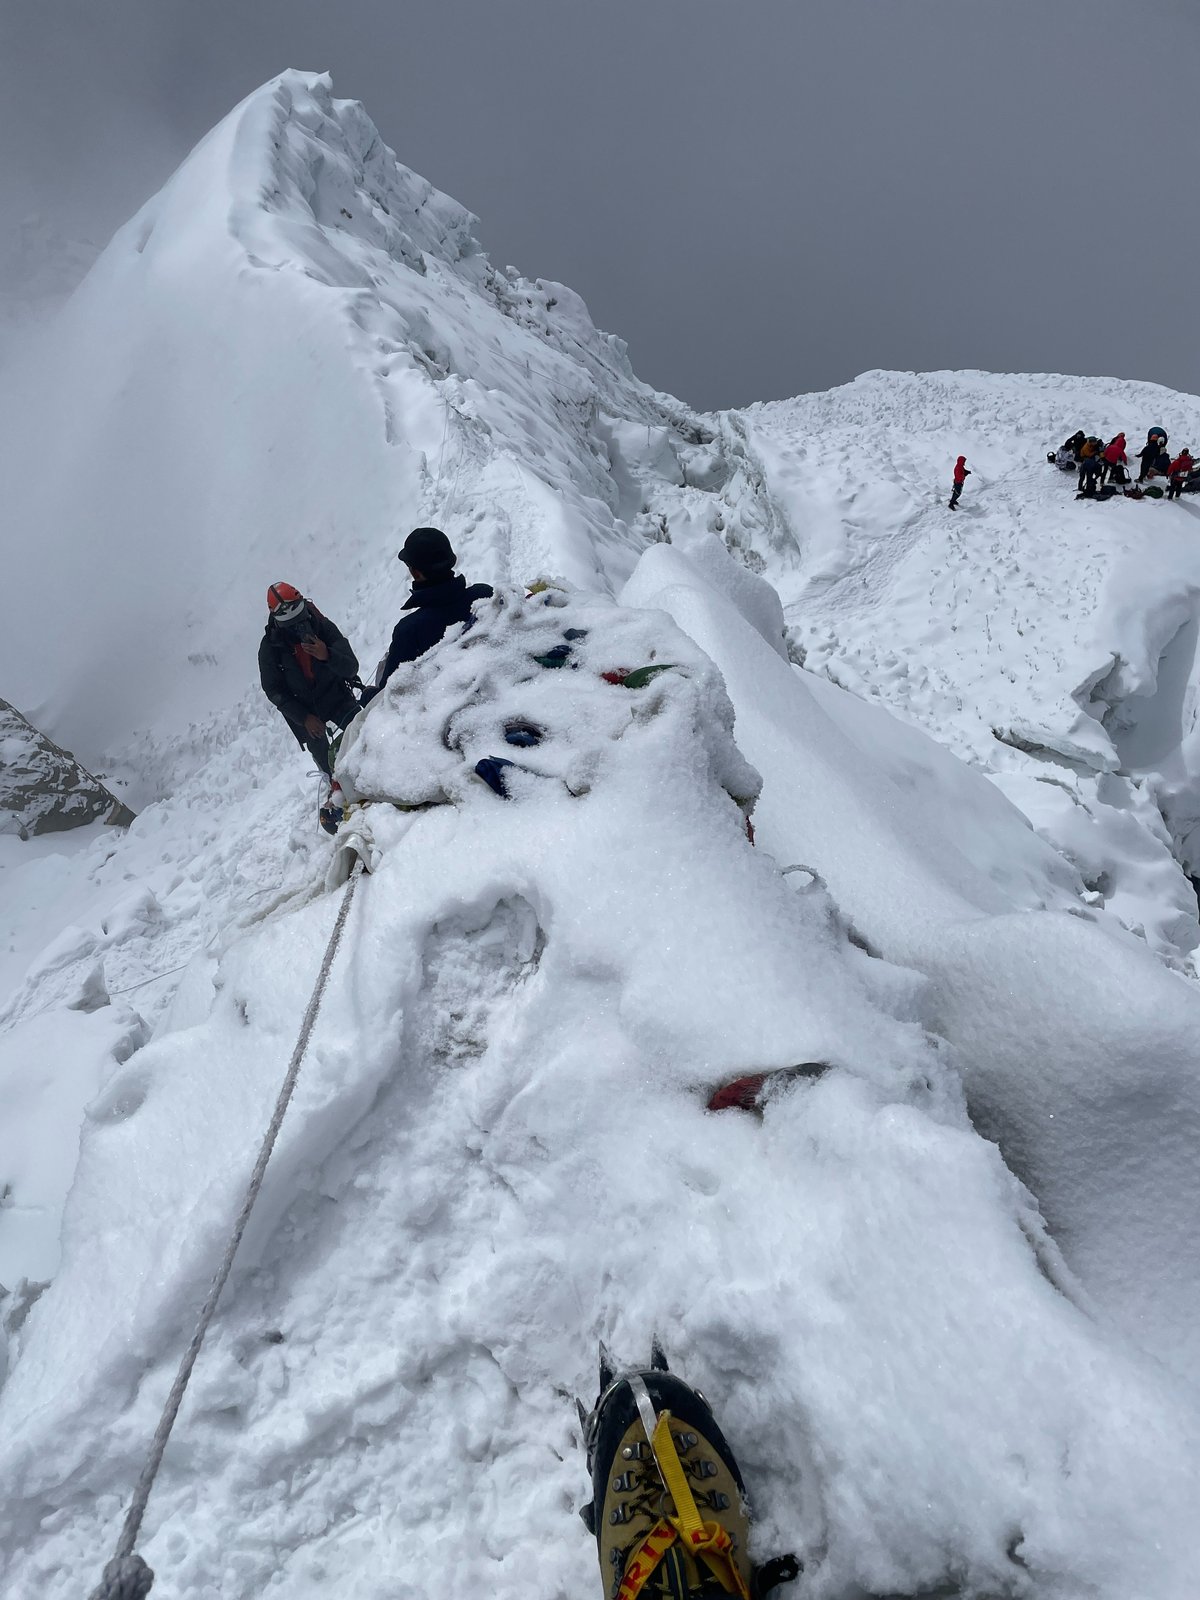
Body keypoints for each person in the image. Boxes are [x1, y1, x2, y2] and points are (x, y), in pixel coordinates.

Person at [367, 527, 494, 696]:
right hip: (496, 685)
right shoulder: (484, 593)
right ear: (452, 559)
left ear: (416, 573)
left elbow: (388, 696)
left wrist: (368, 695)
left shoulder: (409, 631)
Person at [258, 582, 361, 774]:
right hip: (305, 710)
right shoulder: (271, 647)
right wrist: (304, 718)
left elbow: (351, 667)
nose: (298, 628)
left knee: (363, 736)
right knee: (328, 765)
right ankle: (336, 786)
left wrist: (327, 655)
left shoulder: (321, 626)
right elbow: (273, 689)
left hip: (337, 697)